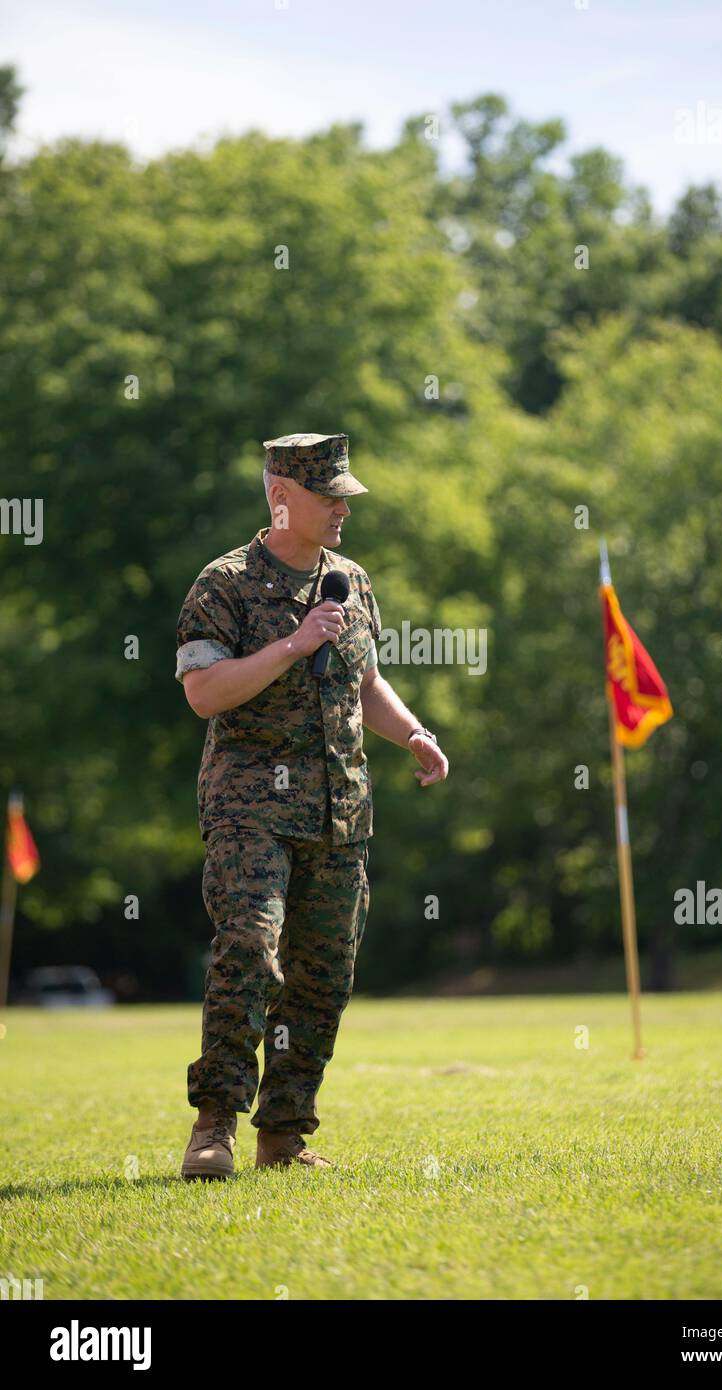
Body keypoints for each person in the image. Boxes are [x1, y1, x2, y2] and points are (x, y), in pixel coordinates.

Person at [175, 432, 448, 1179]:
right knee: (250, 952)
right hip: (250, 808)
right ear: (280, 496)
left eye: (345, 497)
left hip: (340, 813)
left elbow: (366, 684)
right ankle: (216, 1125)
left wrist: (415, 734)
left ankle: (285, 1134)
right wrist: (293, 646)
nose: (341, 510)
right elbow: (204, 693)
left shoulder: (351, 582)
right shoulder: (223, 583)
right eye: (328, 497)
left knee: (323, 977)